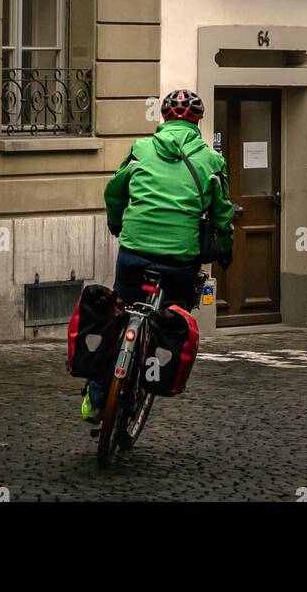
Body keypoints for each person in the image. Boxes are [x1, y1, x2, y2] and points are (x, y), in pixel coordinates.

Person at [81, 88, 235, 423]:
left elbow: (115, 190)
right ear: (198, 121)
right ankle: (153, 370)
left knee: (116, 314)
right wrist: (225, 248)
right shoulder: (211, 160)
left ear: (163, 117)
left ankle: (95, 398)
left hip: (135, 251)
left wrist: (117, 222)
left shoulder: (141, 149)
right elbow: (222, 213)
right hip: (181, 258)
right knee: (173, 317)